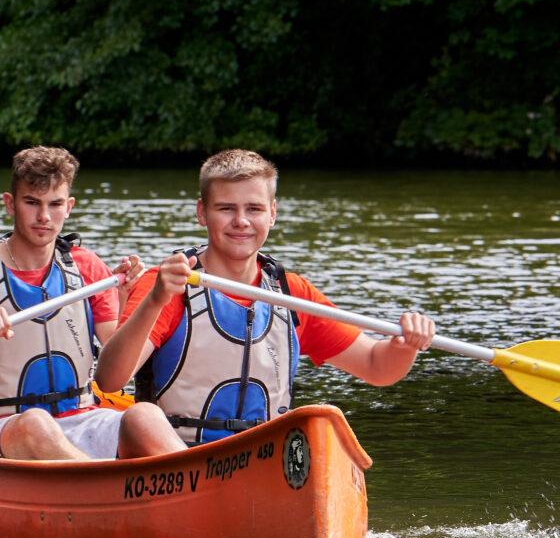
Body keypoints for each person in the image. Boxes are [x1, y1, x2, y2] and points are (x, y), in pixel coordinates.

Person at [95, 149, 436, 448]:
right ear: (202, 213)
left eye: (254, 209)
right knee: (140, 416)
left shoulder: (292, 292)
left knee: (320, 419)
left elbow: (377, 367)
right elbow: (109, 380)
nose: (241, 221)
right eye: (226, 208)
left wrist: (404, 346)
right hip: (176, 461)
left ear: (272, 213)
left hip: (260, 457)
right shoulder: (167, 284)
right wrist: (155, 300)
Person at [0, 146, 185, 461]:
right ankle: (103, 489)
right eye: (32, 203)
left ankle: (199, 492)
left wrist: (131, 301)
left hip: (83, 415)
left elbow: (114, 358)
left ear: (68, 207)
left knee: (145, 415)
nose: (44, 217)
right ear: (10, 203)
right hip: (7, 427)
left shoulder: (87, 267)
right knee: (36, 423)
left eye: (55, 204)